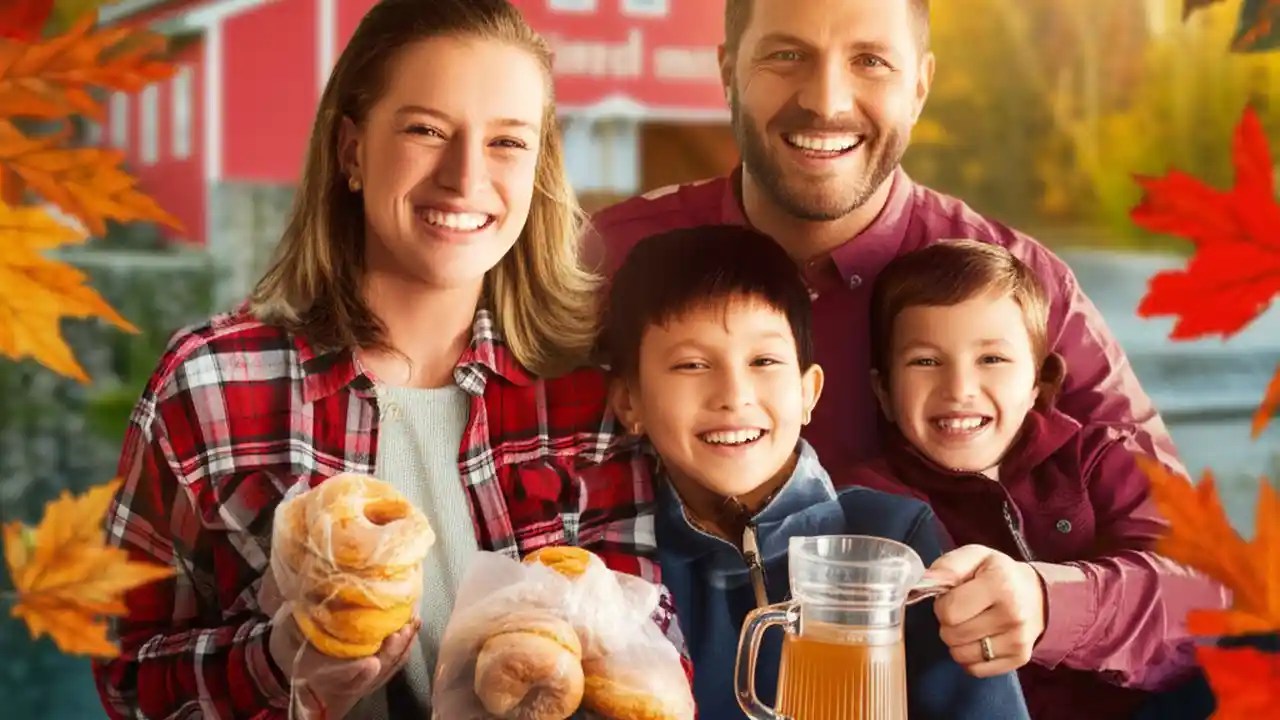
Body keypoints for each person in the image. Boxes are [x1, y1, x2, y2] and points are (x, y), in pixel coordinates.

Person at [91, 1, 682, 718]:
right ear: (351, 150)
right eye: (426, 130)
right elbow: (126, 678)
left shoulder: (588, 395)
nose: (466, 177)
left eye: (506, 142)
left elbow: (649, 652)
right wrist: (278, 664)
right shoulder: (211, 385)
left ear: (538, 168)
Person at [588, 0, 1183, 480]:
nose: (825, 101)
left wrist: (1047, 603)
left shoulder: (1022, 284)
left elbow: (1189, 563)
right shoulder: (599, 263)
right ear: (727, 74)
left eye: (870, 61)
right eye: (787, 54)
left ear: (920, 86)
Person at [599, 225, 1031, 719]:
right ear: (629, 401)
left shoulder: (893, 537)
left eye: (764, 360)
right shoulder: (618, 563)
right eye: (692, 365)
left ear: (808, 392)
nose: (735, 394)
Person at [845, 240, 1229, 719]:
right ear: (884, 392)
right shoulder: (869, 502)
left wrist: (1049, 604)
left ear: (1039, 384)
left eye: (992, 360)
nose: (959, 388)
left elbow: (1201, 595)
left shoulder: (1107, 456)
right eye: (925, 361)